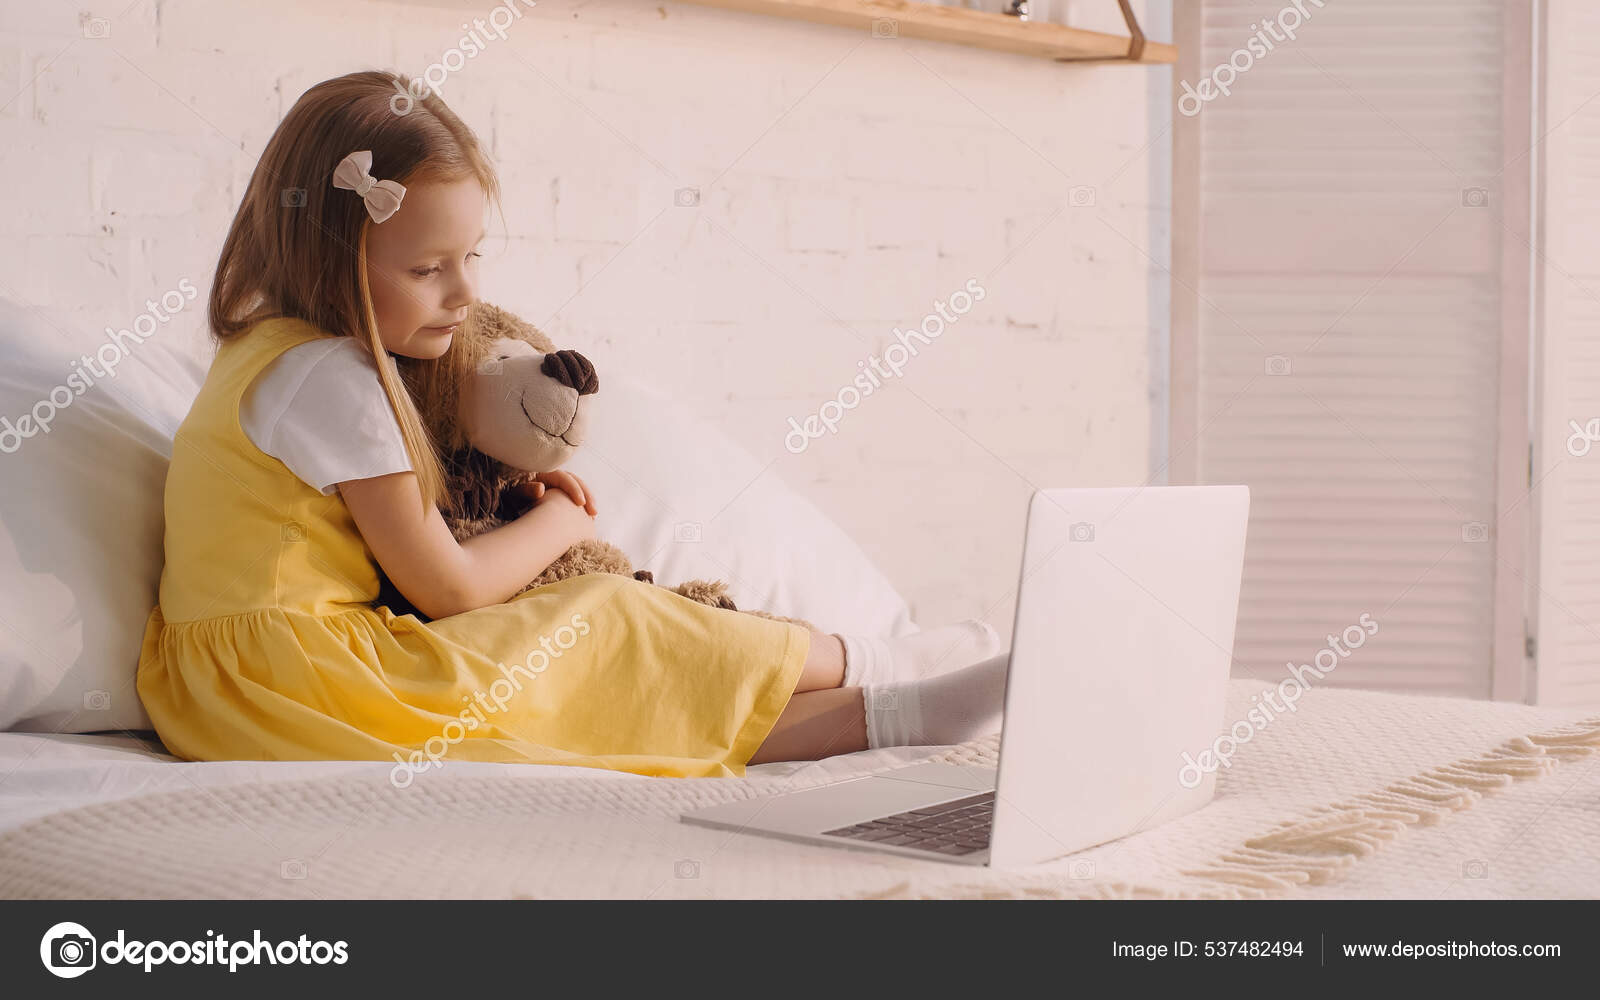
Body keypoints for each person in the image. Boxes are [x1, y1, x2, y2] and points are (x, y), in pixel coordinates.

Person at [135, 70, 1010, 779]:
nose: (466, 293)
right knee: (601, 614)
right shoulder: (332, 376)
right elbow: (450, 589)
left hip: (231, 690)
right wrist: (564, 522)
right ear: (329, 257)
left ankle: (899, 710)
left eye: (471, 258)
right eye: (428, 268)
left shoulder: (262, 351)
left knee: (610, 693)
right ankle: (882, 664)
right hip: (307, 684)